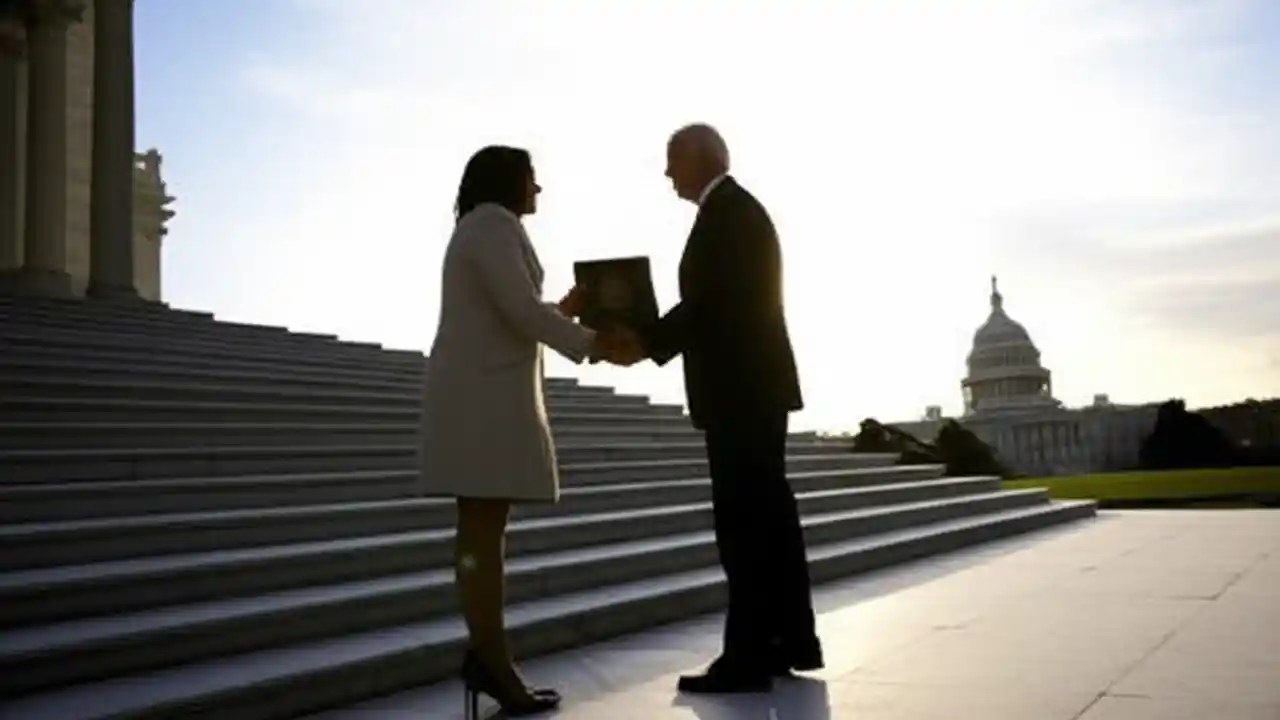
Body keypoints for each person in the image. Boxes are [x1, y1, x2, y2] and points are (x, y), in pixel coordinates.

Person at [419, 145, 636, 717]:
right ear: (510, 182)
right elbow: (519, 311)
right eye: (533, 180)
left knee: (484, 532)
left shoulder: (482, 226)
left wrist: (564, 309)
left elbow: (512, 309)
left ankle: (490, 659)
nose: (538, 190)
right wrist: (595, 344)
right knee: (483, 536)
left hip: (480, 394)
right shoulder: (492, 223)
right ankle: (493, 663)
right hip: (481, 399)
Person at [639, 123, 822, 693]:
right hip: (754, 390)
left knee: (744, 525)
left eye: (673, 161)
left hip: (742, 393)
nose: (667, 174)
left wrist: (645, 342)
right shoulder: (736, 212)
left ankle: (746, 656)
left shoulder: (730, 215)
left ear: (701, 159)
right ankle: (782, 641)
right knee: (769, 523)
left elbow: (708, 304)